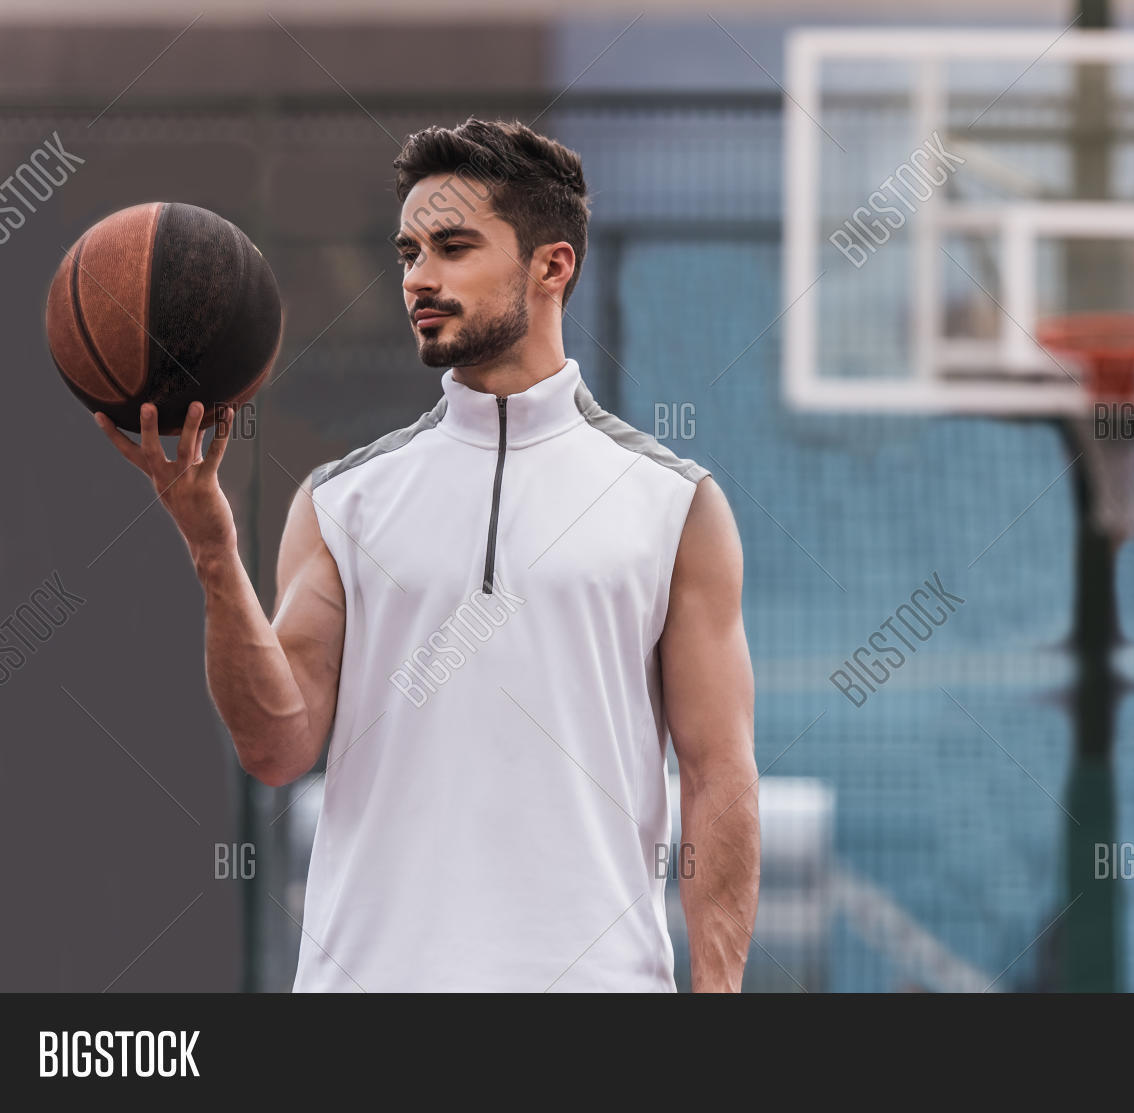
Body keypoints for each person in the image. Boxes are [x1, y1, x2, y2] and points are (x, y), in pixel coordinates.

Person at [95, 117, 760, 992]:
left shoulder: (676, 504)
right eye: (408, 251)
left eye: (452, 247)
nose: (419, 278)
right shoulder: (343, 501)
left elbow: (718, 773)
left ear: (552, 266)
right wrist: (214, 550)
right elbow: (276, 744)